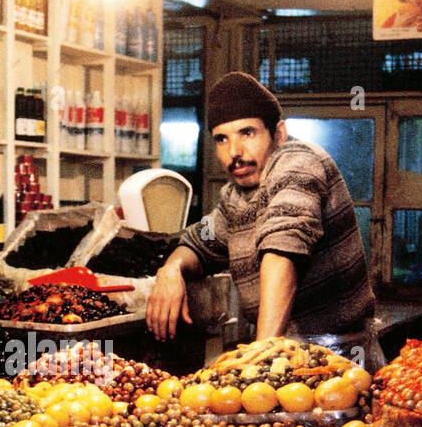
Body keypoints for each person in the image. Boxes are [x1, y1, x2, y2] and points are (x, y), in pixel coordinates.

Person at [146, 72, 379, 366]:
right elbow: (199, 243)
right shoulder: (236, 196)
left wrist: (258, 360)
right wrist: (171, 269)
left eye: (247, 133)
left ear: (278, 134)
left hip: (335, 359)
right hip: (282, 353)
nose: (235, 153)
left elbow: (282, 253)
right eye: (222, 139)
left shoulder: (298, 164)